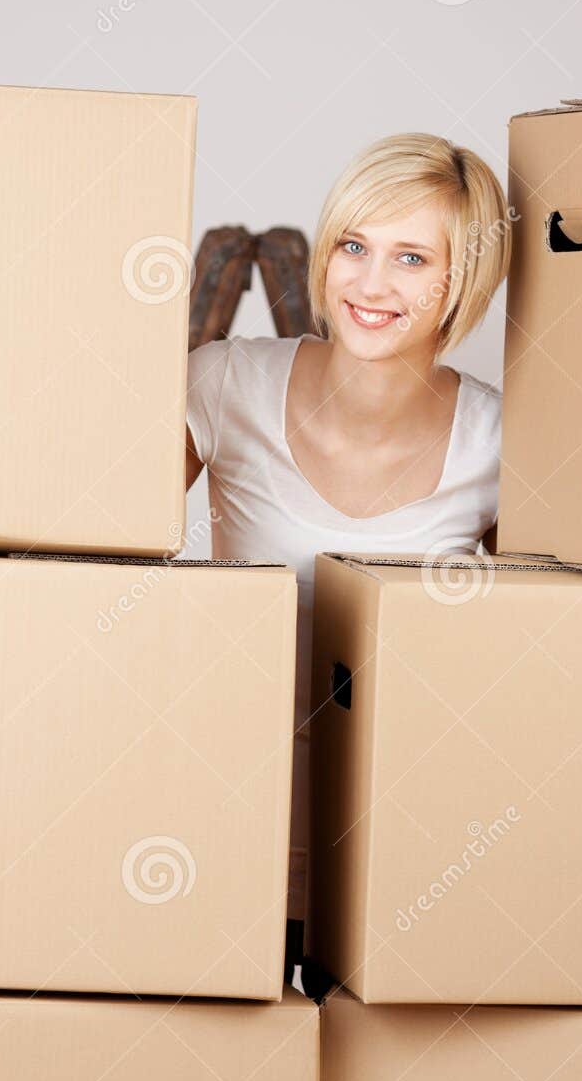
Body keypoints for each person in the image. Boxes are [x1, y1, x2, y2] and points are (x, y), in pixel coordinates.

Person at [184, 132, 512, 989]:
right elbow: (86, 548)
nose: (369, 284)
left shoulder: (498, 441)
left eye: (411, 258)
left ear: (461, 280)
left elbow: (528, 668)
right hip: (217, 832)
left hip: (393, 853)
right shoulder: (221, 383)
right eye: (353, 246)